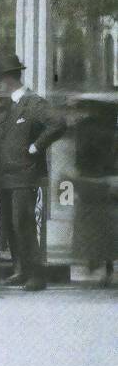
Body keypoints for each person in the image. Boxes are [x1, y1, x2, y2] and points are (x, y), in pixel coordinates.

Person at [0, 56, 66, 291]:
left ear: (8, 79)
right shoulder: (6, 106)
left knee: (23, 223)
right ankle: (20, 270)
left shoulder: (32, 103)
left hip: (25, 175)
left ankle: (36, 275)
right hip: (6, 175)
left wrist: (36, 146)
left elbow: (58, 123)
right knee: (9, 224)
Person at [68, 93, 116, 287]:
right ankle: (105, 265)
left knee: (90, 224)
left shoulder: (84, 128)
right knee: (107, 227)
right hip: (105, 180)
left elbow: (80, 155)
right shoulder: (111, 128)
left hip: (89, 180)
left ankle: (94, 261)